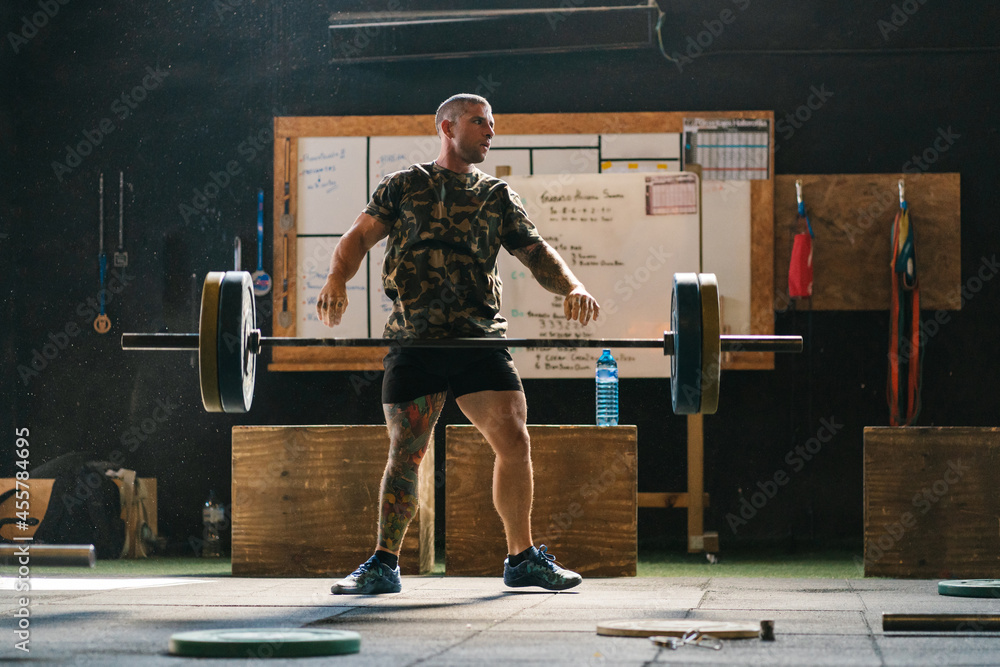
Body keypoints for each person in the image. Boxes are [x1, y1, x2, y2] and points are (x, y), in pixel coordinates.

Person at [316, 93, 600, 594]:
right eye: (479, 122)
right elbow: (358, 238)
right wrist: (337, 279)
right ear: (446, 128)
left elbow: (536, 254)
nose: (490, 132)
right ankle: (383, 565)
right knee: (407, 451)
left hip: (477, 339)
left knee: (514, 437)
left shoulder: (498, 196)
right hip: (415, 339)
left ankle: (522, 558)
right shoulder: (405, 185)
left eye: (492, 124)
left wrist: (573, 286)